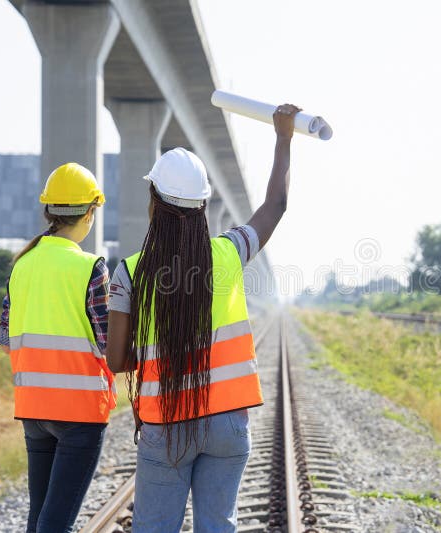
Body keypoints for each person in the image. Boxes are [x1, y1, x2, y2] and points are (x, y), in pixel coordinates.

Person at [106, 103, 301, 532]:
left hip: (166, 422)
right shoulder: (229, 253)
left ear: (153, 200)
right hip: (228, 421)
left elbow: (117, 360)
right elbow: (277, 204)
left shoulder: (131, 271)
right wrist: (283, 138)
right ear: (204, 205)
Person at [0, 162, 116, 533]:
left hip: (33, 407)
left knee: (40, 517)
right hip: (78, 411)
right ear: (91, 211)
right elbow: (109, 342)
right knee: (56, 522)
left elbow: (4, 337)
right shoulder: (90, 267)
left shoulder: (23, 264)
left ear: (49, 210)